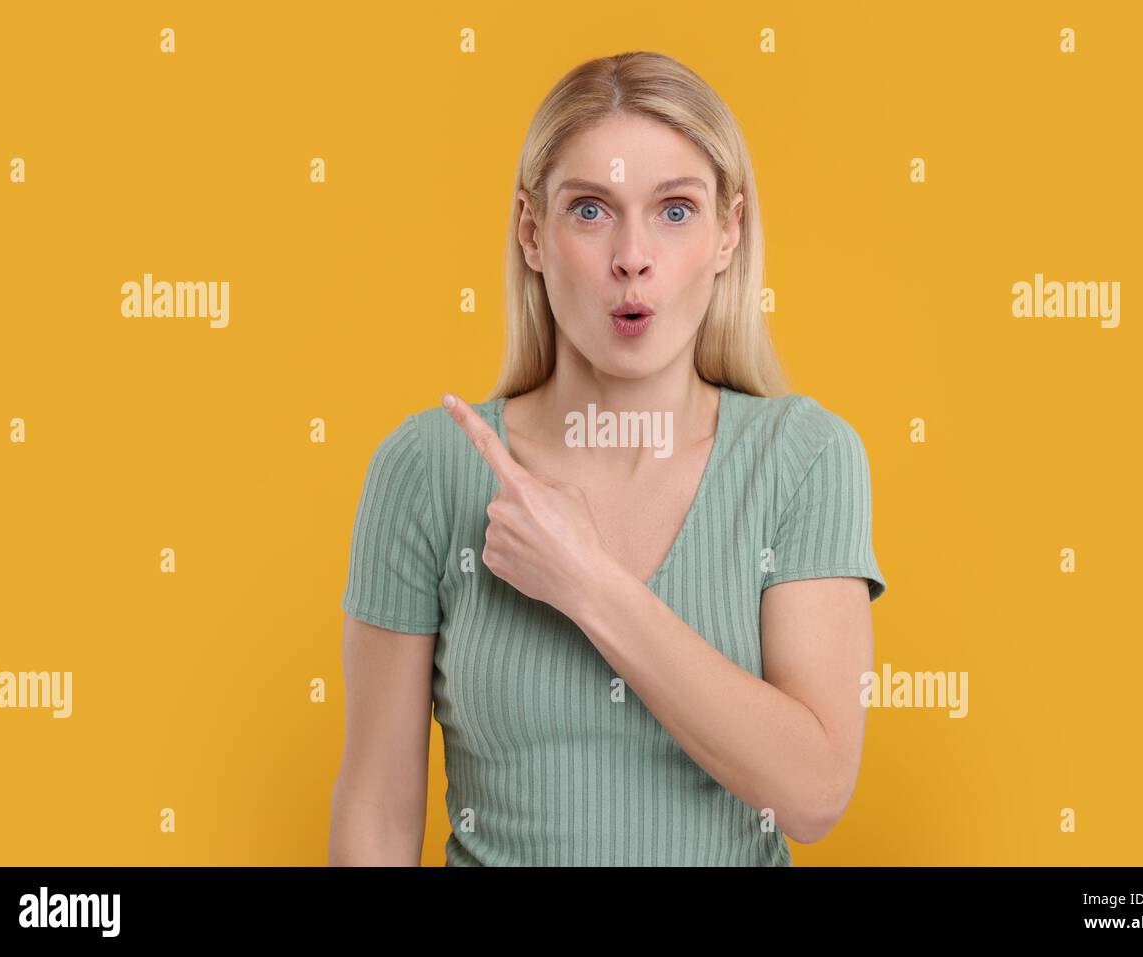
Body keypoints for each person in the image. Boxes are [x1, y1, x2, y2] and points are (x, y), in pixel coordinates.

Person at [328, 51, 887, 867]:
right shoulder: (427, 467)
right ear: (531, 232)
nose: (633, 256)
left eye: (676, 211)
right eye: (590, 210)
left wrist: (588, 581)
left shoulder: (804, 459)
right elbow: (377, 808)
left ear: (729, 232)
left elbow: (812, 792)